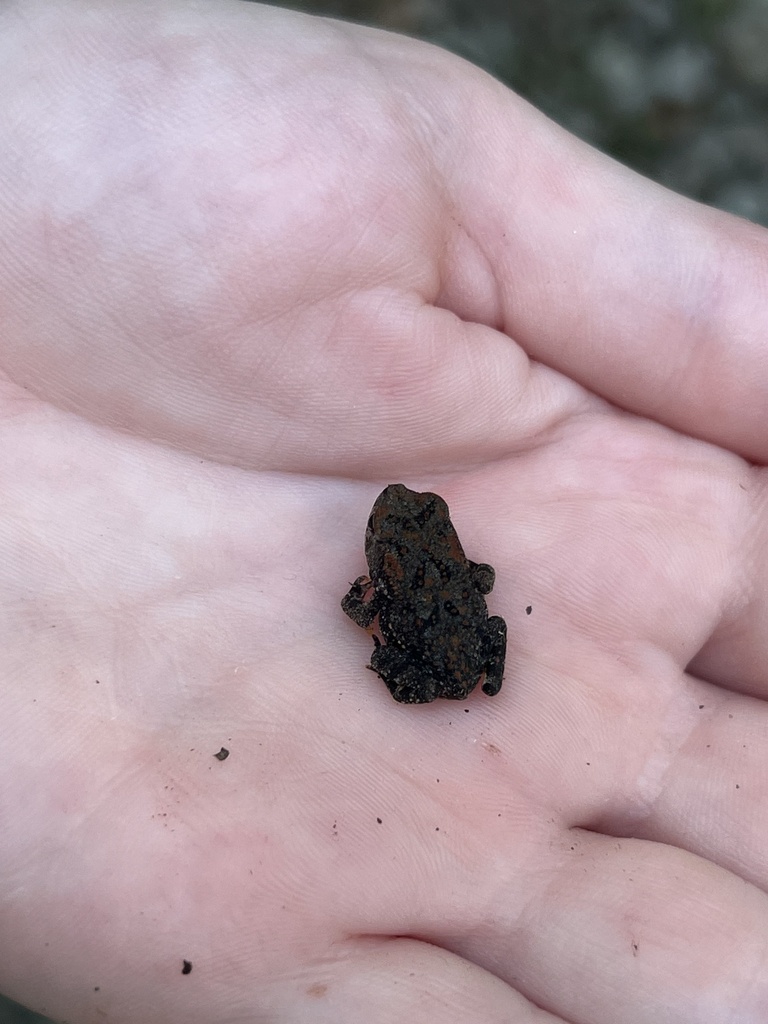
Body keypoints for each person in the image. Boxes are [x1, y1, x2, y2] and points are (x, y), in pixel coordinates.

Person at [1, 1, 766, 1021]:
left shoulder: (395, 584)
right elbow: (471, 591)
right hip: (459, 646)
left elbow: (400, 603)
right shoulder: (443, 581)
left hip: (435, 648)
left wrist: (381, 613)